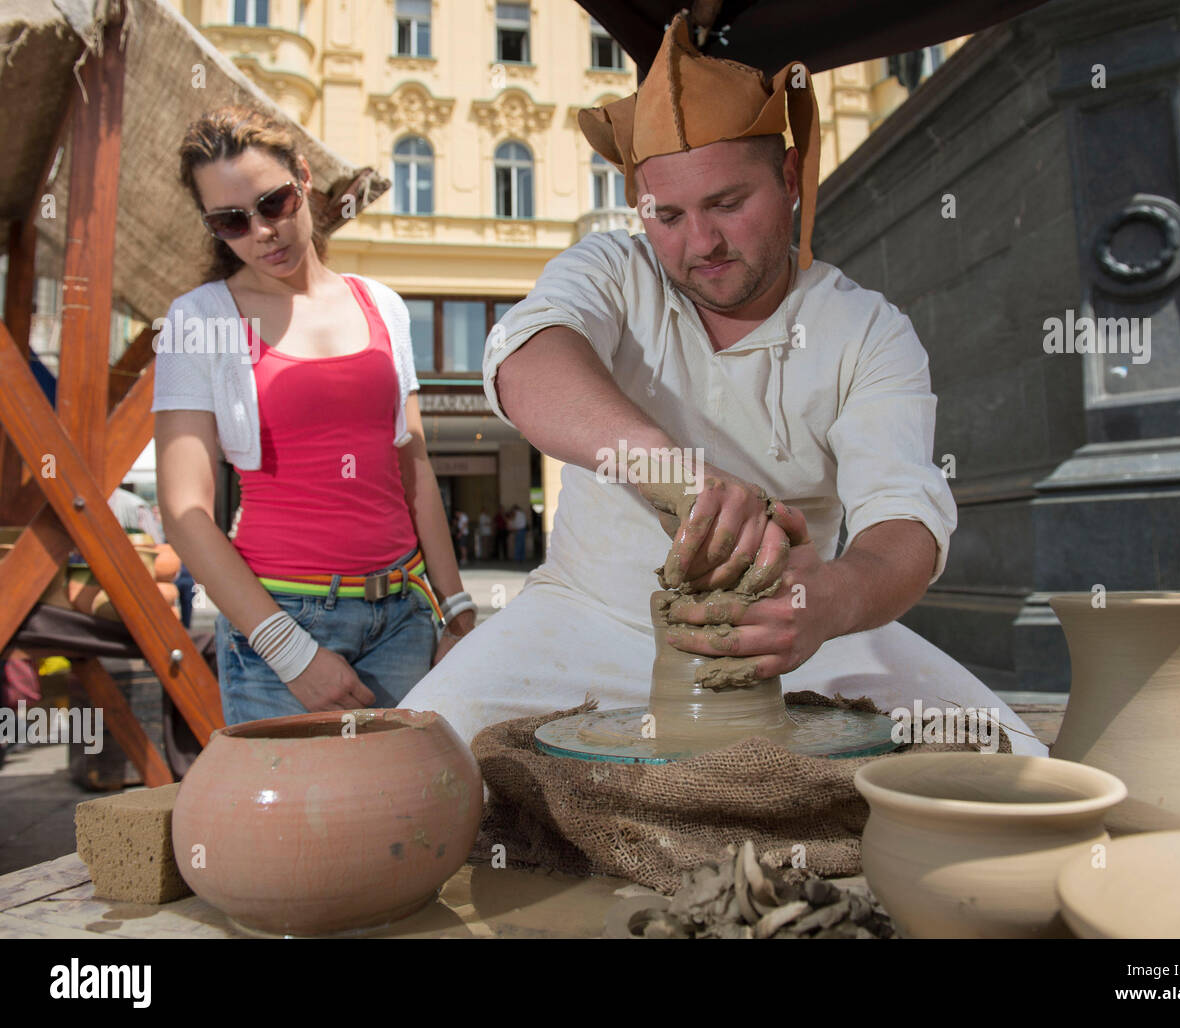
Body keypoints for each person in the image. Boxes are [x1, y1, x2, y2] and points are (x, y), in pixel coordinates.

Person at [400, 15, 1044, 753]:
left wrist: (828, 600)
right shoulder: (614, 270)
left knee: (1012, 759)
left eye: (728, 204)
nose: (698, 243)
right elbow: (525, 360)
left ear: (791, 179)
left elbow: (905, 522)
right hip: (582, 617)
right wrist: (676, 476)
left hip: (799, 632)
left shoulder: (866, 329)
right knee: (413, 762)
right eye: (666, 215)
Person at [153, 105, 476, 725]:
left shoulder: (382, 305)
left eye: (272, 203)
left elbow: (414, 470)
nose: (261, 232)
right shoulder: (200, 321)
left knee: (405, 815)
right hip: (282, 625)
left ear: (303, 178)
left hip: (405, 619)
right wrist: (290, 652)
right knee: (293, 822)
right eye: (231, 221)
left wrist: (459, 610)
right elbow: (185, 512)